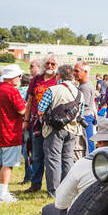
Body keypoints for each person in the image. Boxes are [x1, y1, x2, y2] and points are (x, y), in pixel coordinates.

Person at [38, 64, 83, 195]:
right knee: (68, 159)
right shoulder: (79, 92)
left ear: (59, 75)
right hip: (73, 129)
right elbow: (81, 113)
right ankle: (67, 190)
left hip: (54, 128)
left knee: (53, 159)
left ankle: (54, 191)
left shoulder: (52, 90)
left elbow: (40, 110)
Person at [0, 65, 27, 203]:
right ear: (14, 77)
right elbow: (22, 110)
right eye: (19, 76)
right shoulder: (12, 91)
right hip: (10, 132)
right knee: (8, 164)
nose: (20, 79)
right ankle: (3, 193)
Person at [22, 56, 59, 193]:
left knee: (52, 156)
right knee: (37, 155)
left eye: (53, 63)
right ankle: (35, 183)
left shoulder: (58, 80)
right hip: (35, 123)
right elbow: (30, 100)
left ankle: (53, 187)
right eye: (47, 63)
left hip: (52, 123)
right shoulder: (36, 79)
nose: (50, 65)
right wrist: (26, 120)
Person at [74, 61, 97, 154]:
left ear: (85, 72)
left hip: (85, 119)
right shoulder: (83, 85)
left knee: (88, 147)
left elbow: (82, 106)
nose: (74, 73)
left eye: (77, 71)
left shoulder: (85, 88)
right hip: (87, 118)